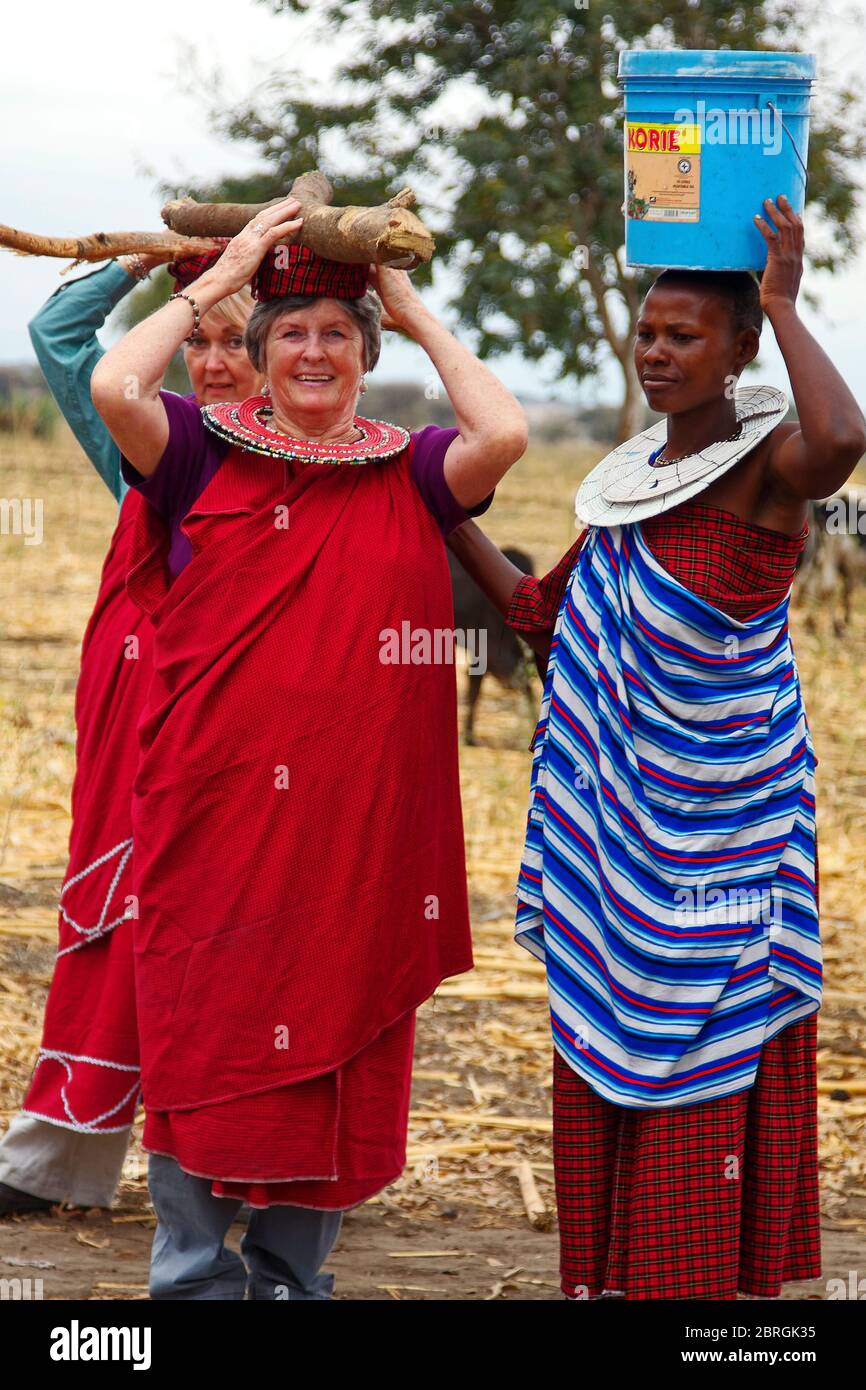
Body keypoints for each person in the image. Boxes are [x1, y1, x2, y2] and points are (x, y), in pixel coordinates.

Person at [89, 193, 528, 1300]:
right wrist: (227, 265)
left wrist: (408, 301)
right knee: (204, 1032)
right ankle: (192, 1279)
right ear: (257, 349)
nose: (313, 351)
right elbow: (112, 385)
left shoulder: (413, 472)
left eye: (337, 332)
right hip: (217, 822)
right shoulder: (194, 455)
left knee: (336, 1036)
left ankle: (292, 1280)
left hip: (356, 840)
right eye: (290, 332)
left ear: (366, 351)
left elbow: (506, 434)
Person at [447, 194, 866, 1299]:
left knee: (702, 1113)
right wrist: (436, 509)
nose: (655, 351)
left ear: (737, 349)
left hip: (725, 868)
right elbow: (543, 618)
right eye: (646, 332)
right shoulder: (629, 491)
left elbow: (840, 443)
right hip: (614, 871)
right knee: (613, 1104)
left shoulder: (767, 471)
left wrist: (779, 295)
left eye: (684, 335)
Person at [0, 246, 261, 1217]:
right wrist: (154, 265)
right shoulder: (155, 450)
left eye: (236, 339)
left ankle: (246, 1171)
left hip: (250, 757)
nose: (212, 360)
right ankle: (53, 1162)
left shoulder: (312, 465)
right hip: (142, 750)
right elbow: (58, 339)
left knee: (240, 952)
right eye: (196, 338)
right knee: (113, 933)